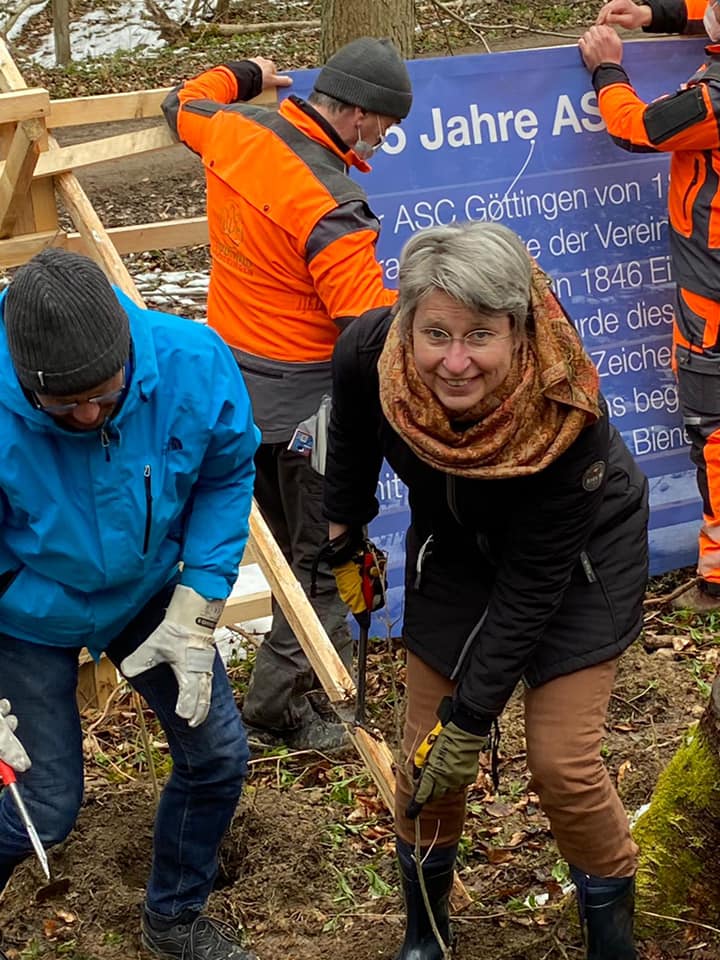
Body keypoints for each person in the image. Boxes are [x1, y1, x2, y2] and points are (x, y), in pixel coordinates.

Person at [322, 222, 649, 960]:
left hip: (577, 563)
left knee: (561, 764)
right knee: (424, 764)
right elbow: (348, 441)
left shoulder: (568, 414)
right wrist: (344, 539)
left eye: (480, 336)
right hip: (455, 549)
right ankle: (424, 941)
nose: (455, 361)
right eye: (435, 333)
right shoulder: (374, 354)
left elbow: (533, 589)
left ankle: (613, 943)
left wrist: (470, 720)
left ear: (519, 327)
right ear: (406, 321)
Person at [0, 249, 260, 960]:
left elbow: (226, 468)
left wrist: (202, 598)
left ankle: (173, 921)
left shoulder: (189, 362)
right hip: (22, 607)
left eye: (103, 398)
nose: (87, 415)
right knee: (42, 809)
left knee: (216, 756)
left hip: (147, 591)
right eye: (62, 407)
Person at [162, 41, 413, 753]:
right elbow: (368, 331)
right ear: (357, 114)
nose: (384, 141)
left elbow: (178, 99)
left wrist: (246, 75)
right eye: (384, 127)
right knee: (326, 565)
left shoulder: (232, 127)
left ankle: (285, 677)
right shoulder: (331, 203)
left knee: (288, 548)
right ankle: (276, 707)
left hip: (234, 394)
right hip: (312, 413)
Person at [581, 0, 720, 612]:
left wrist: (607, 71)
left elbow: (639, 128)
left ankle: (717, 574)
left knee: (713, 430)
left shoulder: (715, 100)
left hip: (711, 293)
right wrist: (659, 14)